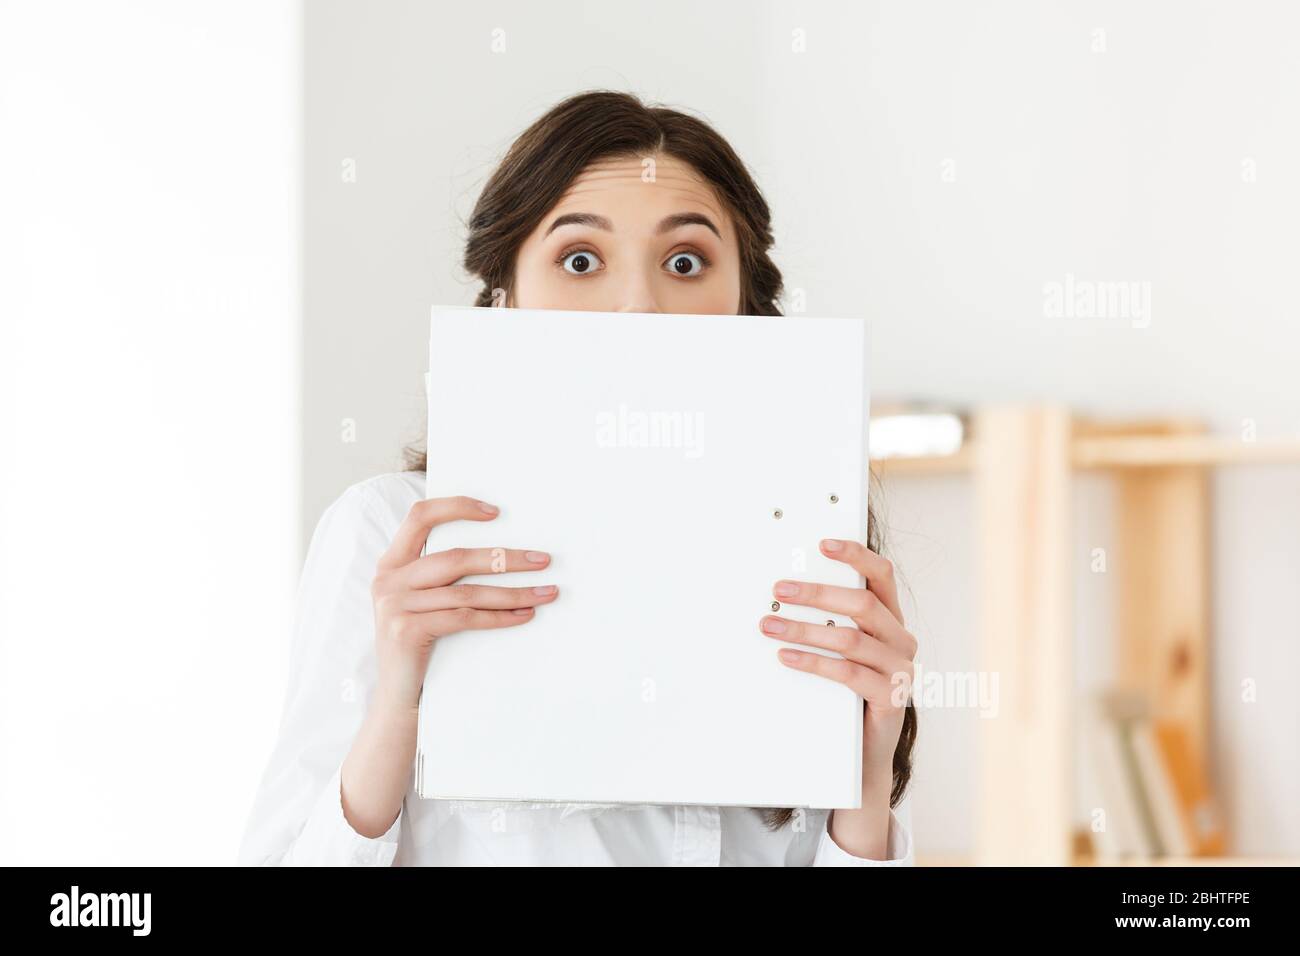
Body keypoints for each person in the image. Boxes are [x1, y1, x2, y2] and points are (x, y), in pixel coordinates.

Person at [238, 91, 918, 866]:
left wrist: (865, 776)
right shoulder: (389, 537)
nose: (637, 308)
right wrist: (397, 706)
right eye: (581, 260)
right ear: (505, 297)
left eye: (686, 262)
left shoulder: (808, 543)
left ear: (745, 306)